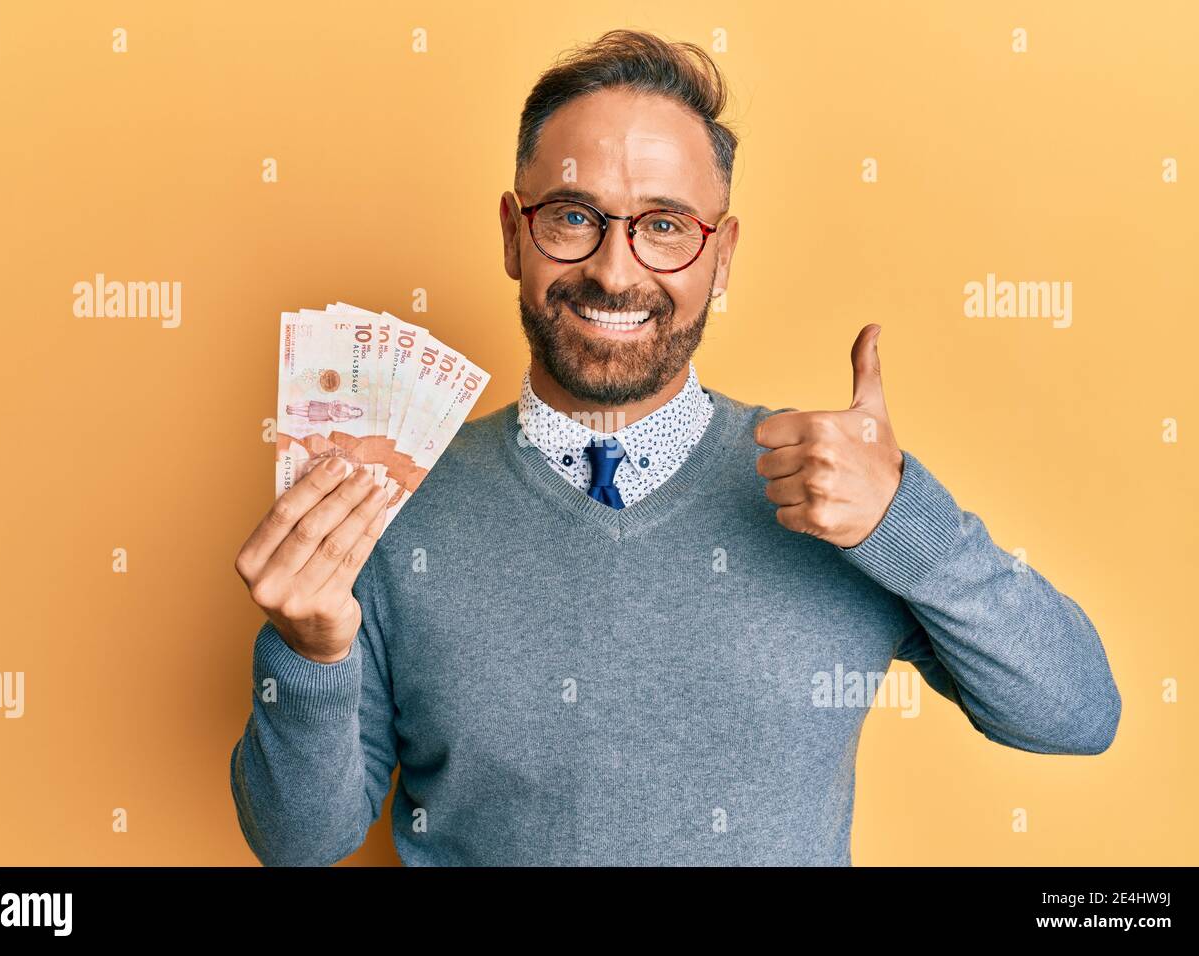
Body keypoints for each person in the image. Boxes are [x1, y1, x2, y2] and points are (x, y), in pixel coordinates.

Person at [229, 29, 1120, 866]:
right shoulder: (391, 498)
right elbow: (301, 843)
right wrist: (308, 655)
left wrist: (907, 521)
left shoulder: (840, 498)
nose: (616, 272)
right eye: (575, 217)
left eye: (664, 226)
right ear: (512, 233)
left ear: (721, 257)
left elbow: (1076, 712)